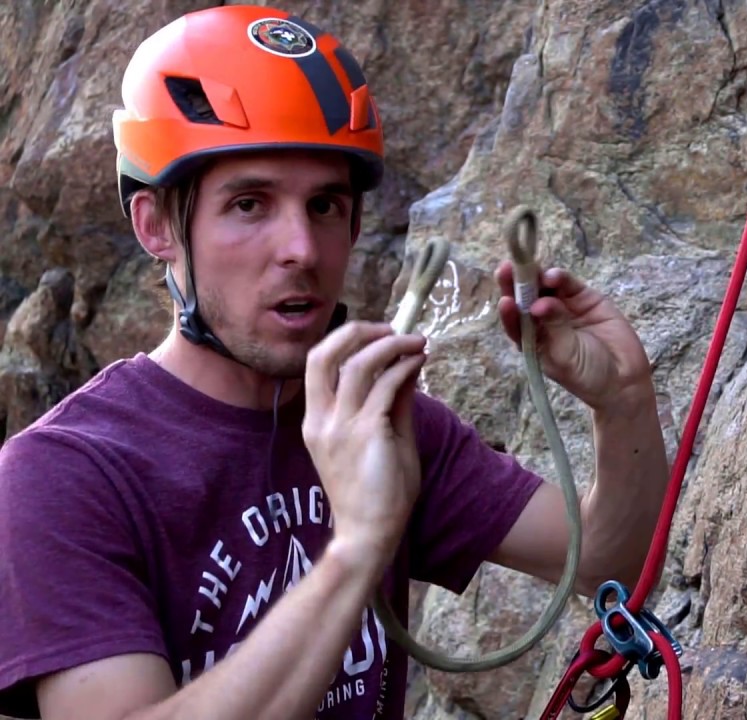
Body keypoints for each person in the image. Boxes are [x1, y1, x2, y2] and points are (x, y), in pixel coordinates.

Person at [0, 6, 669, 720]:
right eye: (249, 203)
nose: (301, 248)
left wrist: (622, 400)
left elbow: (607, 564)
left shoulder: (383, 423)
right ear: (158, 225)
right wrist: (358, 547)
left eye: (324, 205)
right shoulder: (63, 477)